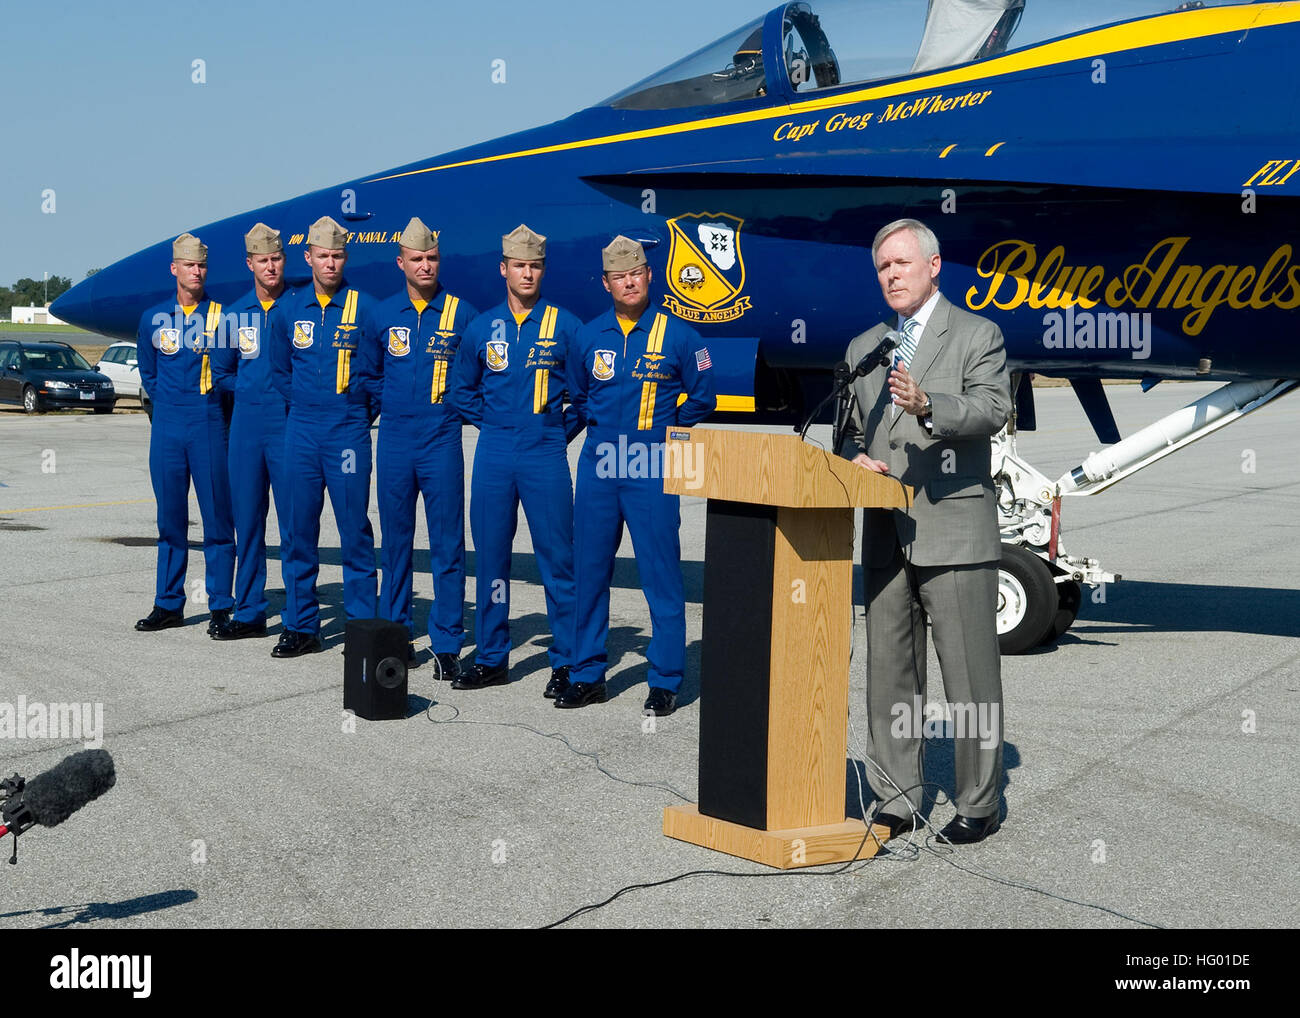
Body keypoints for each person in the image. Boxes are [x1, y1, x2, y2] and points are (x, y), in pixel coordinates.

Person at [841, 218, 1012, 844]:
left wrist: (927, 405)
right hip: (886, 529)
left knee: (968, 676)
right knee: (889, 672)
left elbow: (995, 408)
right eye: (882, 266)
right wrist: (853, 456)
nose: (891, 275)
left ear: (933, 267)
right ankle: (895, 796)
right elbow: (850, 431)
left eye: (902, 264)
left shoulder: (976, 333)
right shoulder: (865, 347)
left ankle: (978, 802)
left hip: (955, 526)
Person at [559, 236, 715, 716]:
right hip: (600, 463)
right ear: (606, 283)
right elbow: (578, 397)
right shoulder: (588, 336)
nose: (629, 282)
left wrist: (667, 433)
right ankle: (586, 673)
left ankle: (665, 678)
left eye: (637, 274)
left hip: (651, 463)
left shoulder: (682, 336)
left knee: (660, 574)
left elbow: (703, 394)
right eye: (619, 277)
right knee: (589, 570)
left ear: (650, 277)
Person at [447, 225, 584, 695]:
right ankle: (491, 657)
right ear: (503, 268)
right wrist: (494, 425)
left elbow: (585, 396)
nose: (527, 273)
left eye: (535, 266)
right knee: (491, 560)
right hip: (495, 453)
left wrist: (554, 433)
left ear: (543, 270)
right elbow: (460, 389)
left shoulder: (567, 327)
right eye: (519, 266)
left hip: (545, 452)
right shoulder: (482, 327)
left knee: (558, 559)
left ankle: (566, 660)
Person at [268, 215, 381, 657]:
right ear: (308, 257)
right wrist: (305, 405)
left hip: (348, 431)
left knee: (354, 530)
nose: (330, 263)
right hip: (301, 431)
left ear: (345, 258)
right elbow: (280, 371)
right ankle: (301, 625)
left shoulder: (366, 309)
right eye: (322, 255)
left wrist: (352, 411)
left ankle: (360, 626)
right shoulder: (289, 310)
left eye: (337, 256)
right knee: (297, 530)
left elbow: (376, 375)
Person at [373, 217, 477, 677]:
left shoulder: (463, 315)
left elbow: (475, 377)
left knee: (447, 544)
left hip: (440, 441)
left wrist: (453, 411)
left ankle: (447, 642)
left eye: (432, 258)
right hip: (395, 440)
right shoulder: (382, 315)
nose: (425, 265)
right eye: (417, 259)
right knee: (395, 544)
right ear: (401, 263)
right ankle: (394, 633)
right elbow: (369, 377)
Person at [133, 232, 236, 635]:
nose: (196, 272)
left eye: (202, 266)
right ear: (174, 268)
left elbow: (232, 376)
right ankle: (168, 603)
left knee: (217, 521)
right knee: (170, 520)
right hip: (168, 428)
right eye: (189, 265)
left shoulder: (225, 319)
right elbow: (149, 370)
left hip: (209, 424)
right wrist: (169, 407)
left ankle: (221, 605)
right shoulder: (154, 318)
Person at [210, 223, 294, 641]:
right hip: (245, 427)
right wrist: (246, 388)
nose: (271, 266)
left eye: (277, 258)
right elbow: (220, 372)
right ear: (250, 264)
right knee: (249, 522)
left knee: (295, 525)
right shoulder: (233, 314)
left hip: (288, 426)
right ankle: (249, 611)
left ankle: (299, 616)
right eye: (263, 260)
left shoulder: (299, 308)